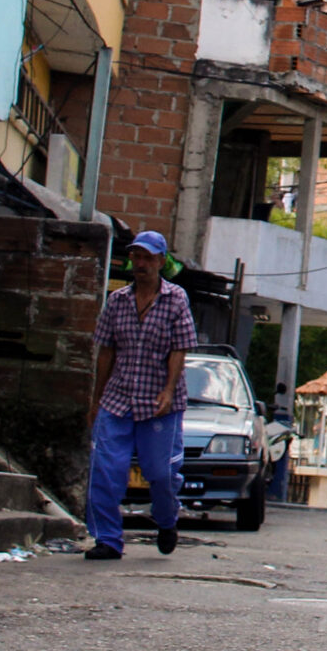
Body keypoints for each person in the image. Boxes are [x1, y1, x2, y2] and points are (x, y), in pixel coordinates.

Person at [84, 231, 196, 560]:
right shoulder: (117, 301)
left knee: (161, 474)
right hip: (118, 399)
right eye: (137, 257)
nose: (141, 264)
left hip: (160, 403)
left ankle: (165, 520)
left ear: (162, 261)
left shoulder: (176, 299)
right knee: (105, 469)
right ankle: (107, 538)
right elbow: (105, 351)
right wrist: (96, 400)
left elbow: (180, 349)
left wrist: (168, 390)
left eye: (148, 257)